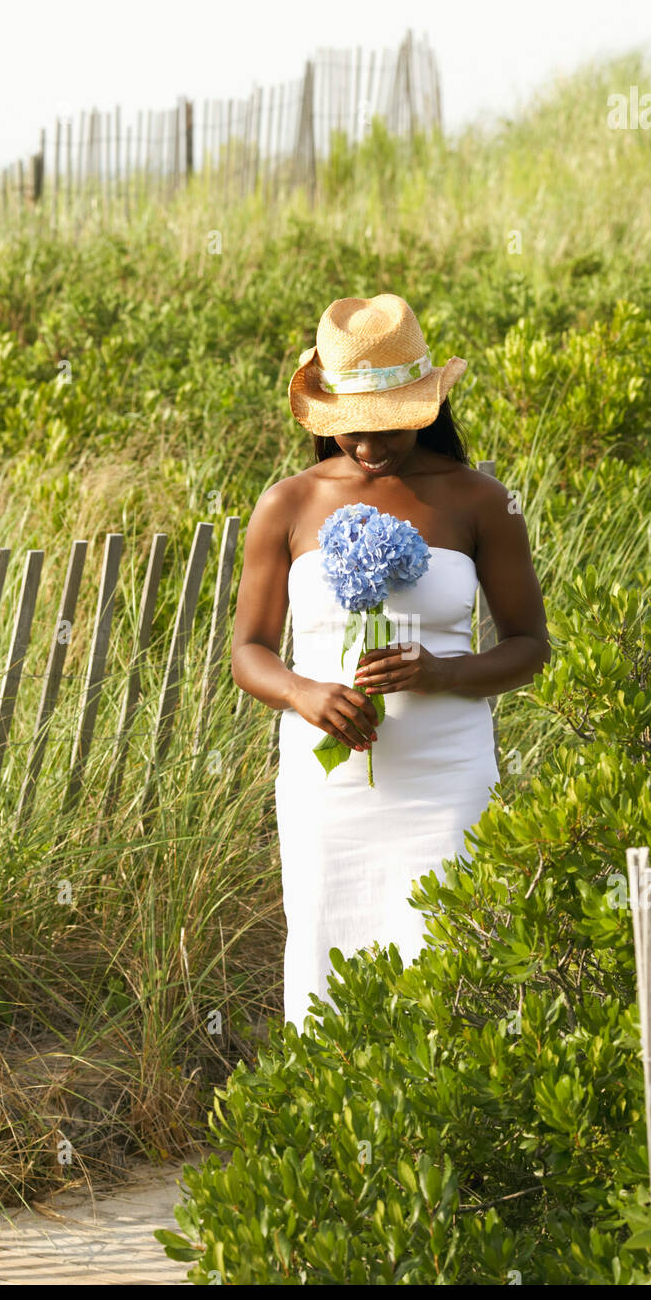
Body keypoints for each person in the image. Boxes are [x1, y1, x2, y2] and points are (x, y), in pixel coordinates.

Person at [231, 293, 550, 1031]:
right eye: (353, 430)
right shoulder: (286, 505)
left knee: (450, 967)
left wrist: (443, 673)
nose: (371, 448)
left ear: (426, 406)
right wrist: (305, 694)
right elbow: (249, 651)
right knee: (328, 960)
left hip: (448, 780)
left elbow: (529, 646)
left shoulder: (480, 500)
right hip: (327, 787)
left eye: (389, 427)